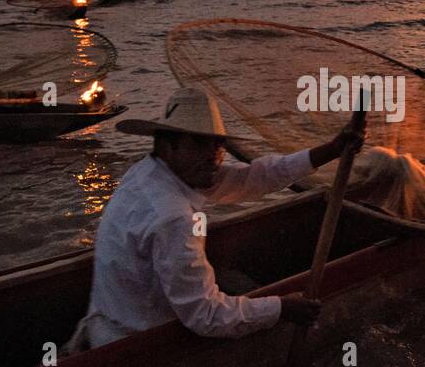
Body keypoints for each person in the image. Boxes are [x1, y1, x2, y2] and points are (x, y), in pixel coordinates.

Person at [67, 86, 365, 350]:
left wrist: (332, 150)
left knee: (232, 280)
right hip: (134, 344)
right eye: (198, 144)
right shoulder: (173, 215)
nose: (213, 156)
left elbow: (255, 177)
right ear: (167, 144)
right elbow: (206, 316)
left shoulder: (153, 172)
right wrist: (281, 308)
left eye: (217, 145)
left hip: (112, 320)